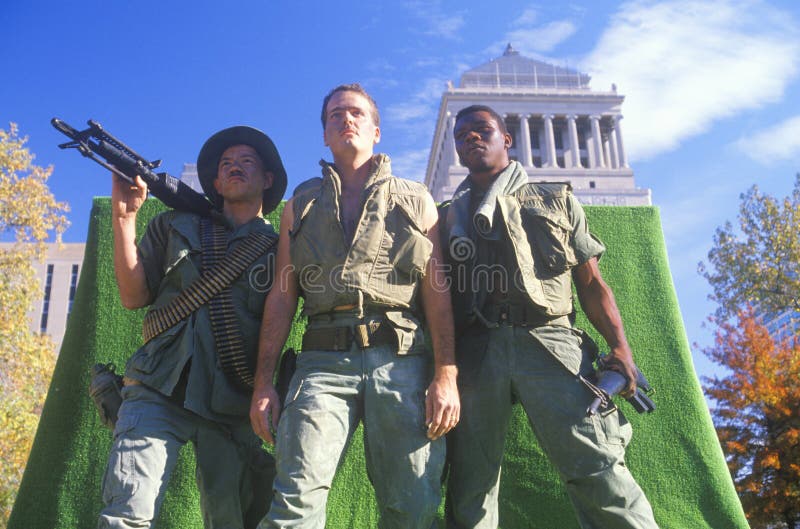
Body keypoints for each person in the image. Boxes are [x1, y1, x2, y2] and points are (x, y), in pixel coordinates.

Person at [250, 83, 460, 529]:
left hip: (401, 360)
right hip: (322, 361)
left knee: (414, 507)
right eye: (335, 116)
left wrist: (446, 374)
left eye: (357, 113)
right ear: (325, 134)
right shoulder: (300, 205)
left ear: (376, 130)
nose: (346, 120)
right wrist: (264, 384)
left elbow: (436, 291)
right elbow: (283, 295)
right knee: (295, 502)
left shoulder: (417, 198)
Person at [441, 105, 659, 529]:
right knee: (470, 485)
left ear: (506, 138)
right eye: (461, 133)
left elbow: (592, 283)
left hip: (550, 341)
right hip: (478, 349)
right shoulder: (446, 214)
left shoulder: (555, 199)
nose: (471, 137)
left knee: (597, 466)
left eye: (482, 129)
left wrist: (621, 349)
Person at [102, 125, 287, 529]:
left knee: (230, 520)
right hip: (157, 384)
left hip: (232, 401)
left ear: (268, 179)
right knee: (126, 513)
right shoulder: (175, 226)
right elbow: (133, 297)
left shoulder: (279, 249)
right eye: (226, 164)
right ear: (215, 182)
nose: (235, 168)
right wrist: (124, 218)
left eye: (247, 162)